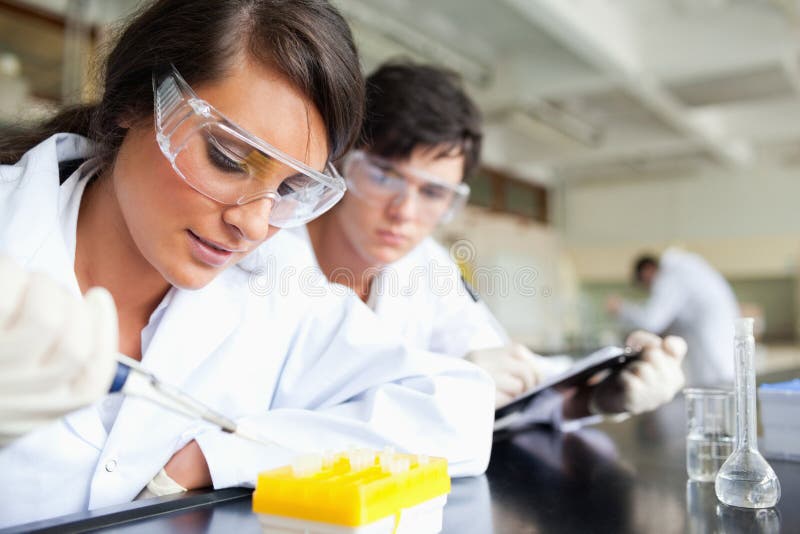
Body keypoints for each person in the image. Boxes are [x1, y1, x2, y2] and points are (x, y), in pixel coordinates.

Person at [0, 2, 494, 527]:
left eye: (289, 188)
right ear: (134, 101)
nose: (255, 226)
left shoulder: (273, 285)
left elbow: (456, 412)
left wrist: (221, 454)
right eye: (228, 158)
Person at [284, 61, 686, 421]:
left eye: (433, 193)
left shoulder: (428, 265)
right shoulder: (267, 249)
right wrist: (444, 382)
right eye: (384, 176)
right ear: (339, 160)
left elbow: (507, 372)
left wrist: (595, 395)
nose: (404, 211)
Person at [607, 250, 739, 387]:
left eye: (645, 284)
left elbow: (652, 321)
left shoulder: (672, 276)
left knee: (717, 385)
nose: (650, 289)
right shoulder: (684, 270)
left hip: (712, 341)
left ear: (648, 270)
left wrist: (621, 308)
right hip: (713, 336)